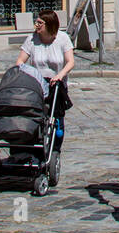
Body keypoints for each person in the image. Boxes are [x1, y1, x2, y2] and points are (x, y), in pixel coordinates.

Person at [14, 10, 75, 145]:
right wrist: (29, 75)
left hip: (56, 84)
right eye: (36, 22)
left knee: (56, 116)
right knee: (35, 115)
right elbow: (20, 62)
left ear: (50, 25)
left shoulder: (62, 38)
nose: (36, 25)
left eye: (40, 23)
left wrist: (60, 75)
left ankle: (56, 147)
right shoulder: (31, 39)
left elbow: (70, 61)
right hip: (37, 85)